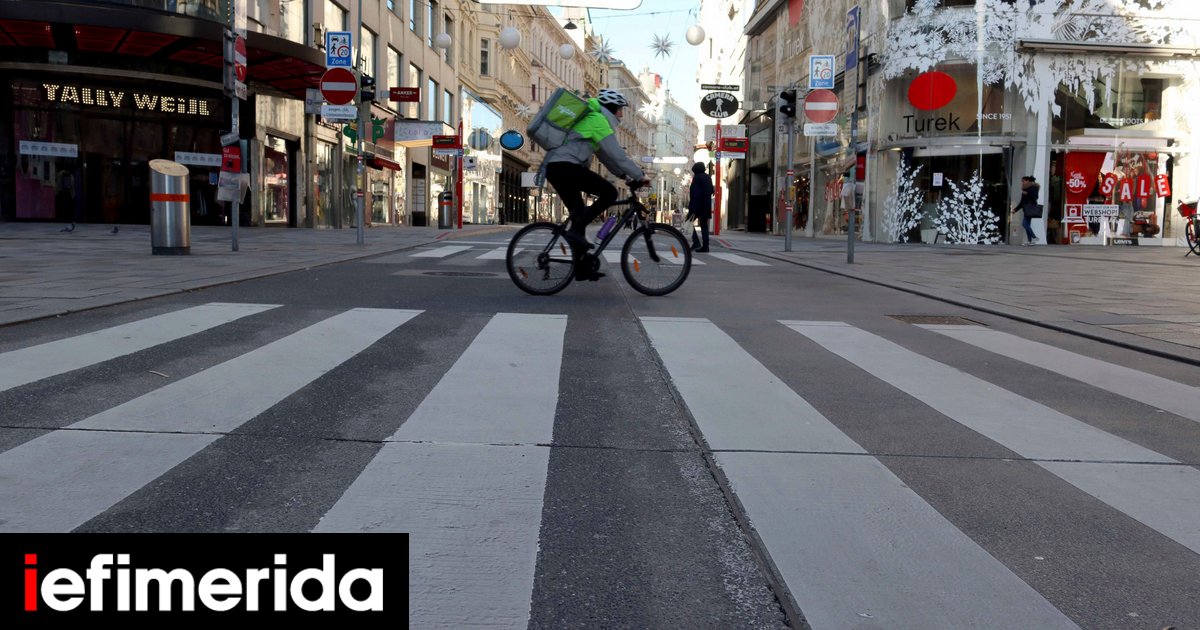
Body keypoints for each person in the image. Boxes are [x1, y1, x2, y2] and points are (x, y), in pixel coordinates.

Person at [543, 88, 651, 281]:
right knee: (609, 193)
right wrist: (639, 175)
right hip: (567, 167)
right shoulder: (598, 120)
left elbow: (605, 156)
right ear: (610, 108)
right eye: (619, 110)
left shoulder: (594, 120)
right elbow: (617, 154)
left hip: (558, 168)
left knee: (578, 213)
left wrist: (625, 176)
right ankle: (576, 233)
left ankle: (581, 268)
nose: (621, 115)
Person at [687, 161, 713, 252]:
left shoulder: (697, 178)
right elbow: (711, 191)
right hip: (706, 205)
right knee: (704, 225)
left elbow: (695, 193)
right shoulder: (708, 177)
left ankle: (696, 242)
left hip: (697, 205)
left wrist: (692, 207)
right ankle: (706, 246)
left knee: (689, 222)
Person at [1013, 175, 1041, 245]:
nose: (1022, 183)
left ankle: (1034, 237)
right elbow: (1022, 202)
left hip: (1030, 208)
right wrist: (1015, 209)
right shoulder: (1024, 189)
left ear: (1028, 181)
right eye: (1022, 181)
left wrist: (1027, 194)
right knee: (1027, 224)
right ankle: (1030, 241)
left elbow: (1035, 198)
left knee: (1024, 224)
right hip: (1026, 209)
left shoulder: (1034, 188)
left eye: (1023, 181)